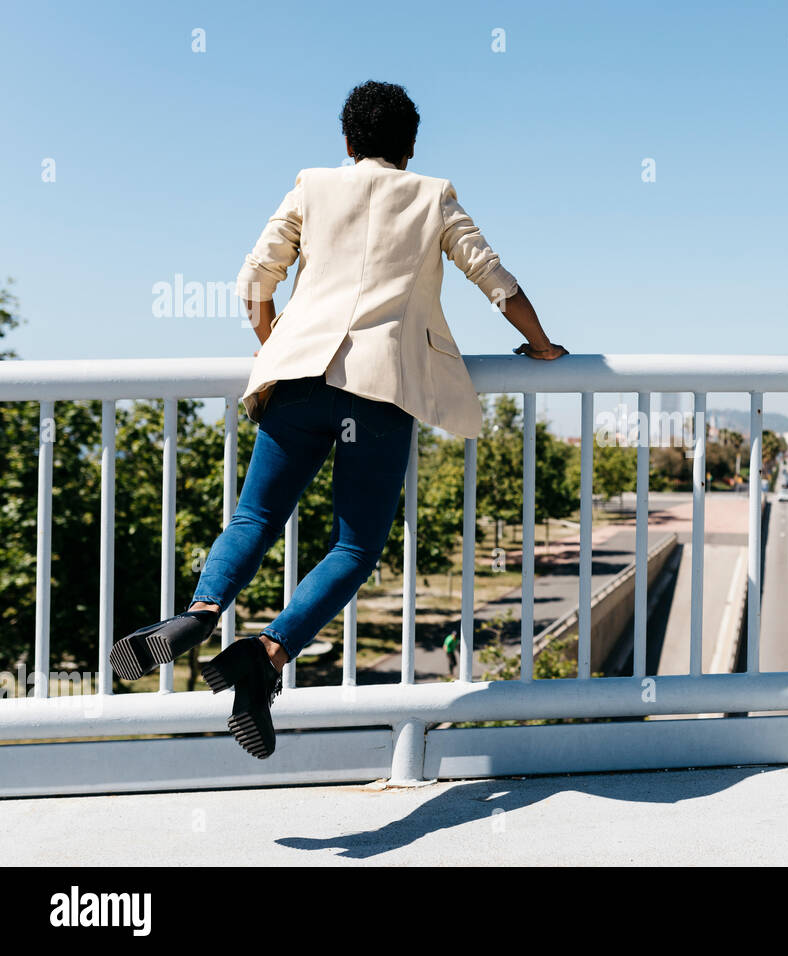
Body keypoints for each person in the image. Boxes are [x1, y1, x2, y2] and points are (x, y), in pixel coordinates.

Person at [109, 80, 566, 759]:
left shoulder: (312, 184)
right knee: (353, 550)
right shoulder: (432, 195)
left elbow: (256, 279)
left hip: (297, 378)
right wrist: (543, 342)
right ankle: (266, 654)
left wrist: (275, 345)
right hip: (376, 393)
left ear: (347, 142)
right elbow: (495, 279)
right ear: (410, 148)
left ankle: (200, 613)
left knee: (255, 518)